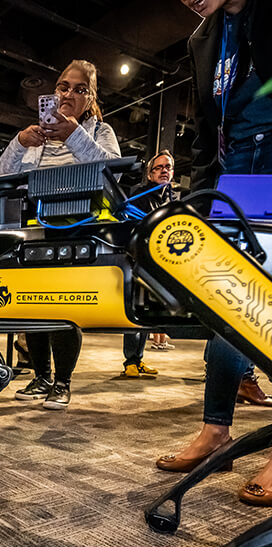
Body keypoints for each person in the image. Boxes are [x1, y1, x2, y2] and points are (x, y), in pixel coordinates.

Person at [157, 0, 272, 506]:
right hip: (236, 179)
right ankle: (216, 429)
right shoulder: (203, 39)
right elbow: (207, 136)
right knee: (228, 303)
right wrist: (201, 199)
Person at [0, 59, 121, 410]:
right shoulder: (36, 138)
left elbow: (113, 174)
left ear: (91, 97)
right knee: (33, 306)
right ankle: (41, 377)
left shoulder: (99, 132)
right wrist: (19, 143)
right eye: (63, 86)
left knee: (64, 306)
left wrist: (74, 135)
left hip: (78, 228)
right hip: (36, 228)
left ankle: (62, 382)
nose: (68, 94)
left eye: (80, 89)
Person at [119, 150, 178, 377]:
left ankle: (138, 359)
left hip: (159, 263)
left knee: (147, 313)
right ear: (150, 174)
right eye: (159, 167)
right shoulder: (140, 196)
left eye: (168, 167)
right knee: (135, 311)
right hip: (138, 261)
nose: (164, 170)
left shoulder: (172, 199)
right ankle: (130, 362)